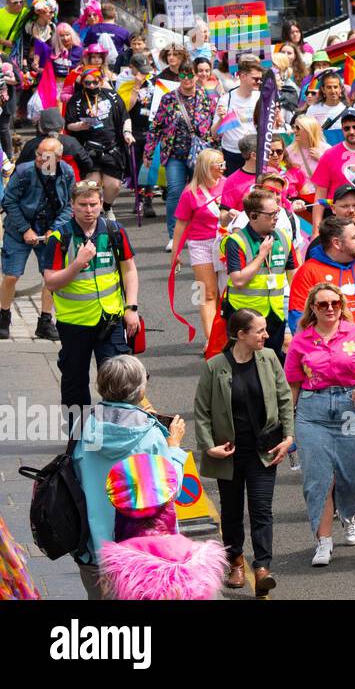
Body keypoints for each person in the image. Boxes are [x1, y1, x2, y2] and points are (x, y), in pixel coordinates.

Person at [194, 307, 294, 594]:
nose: (266, 335)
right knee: (232, 511)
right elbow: (202, 411)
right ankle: (236, 562)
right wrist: (208, 445)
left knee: (262, 510)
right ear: (241, 335)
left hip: (264, 451)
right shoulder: (214, 366)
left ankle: (262, 566)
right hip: (229, 455)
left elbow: (284, 398)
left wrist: (288, 436)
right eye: (260, 331)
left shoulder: (269, 358)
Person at [71, 355, 187, 599]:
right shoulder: (151, 436)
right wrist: (174, 447)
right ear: (139, 389)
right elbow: (169, 490)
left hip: (93, 549)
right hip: (141, 553)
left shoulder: (83, 425)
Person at [285, 282, 355, 567]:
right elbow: (293, 384)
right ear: (312, 308)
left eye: (335, 304)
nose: (329, 309)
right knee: (318, 479)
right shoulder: (301, 341)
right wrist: (289, 427)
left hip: (352, 407)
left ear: (342, 306)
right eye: (322, 304)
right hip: (313, 411)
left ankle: (348, 515)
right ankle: (323, 541)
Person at [44, 181, 139, 413]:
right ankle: (76, 439)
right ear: (72, 205)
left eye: (93, 204)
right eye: (83, 205)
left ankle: (114, 433)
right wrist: (77, 263)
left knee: (118, 381)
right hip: (74, 323)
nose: (89, 210)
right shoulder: (60, 238)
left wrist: (131, 308)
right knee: (75, 383)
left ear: (101, 204)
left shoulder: (114, 230)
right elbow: (51, 282)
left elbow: (129, 269)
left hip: (110, 320)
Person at [0, 138, 73, 341]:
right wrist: (25, 230)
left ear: (57, 158)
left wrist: (54, 229)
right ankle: (3, 317)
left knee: (50, 277)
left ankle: (45, 321)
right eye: (38, 154)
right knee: (11, 275)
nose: (39, 158)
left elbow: (69, 205)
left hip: (48, 228)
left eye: (45, 155)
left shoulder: (66, 173)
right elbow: (9, 201)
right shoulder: (24, 172)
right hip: (18, 229)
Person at [143, 55, 220, 248]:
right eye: (183, 75)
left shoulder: (207, 97)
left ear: (196, 76)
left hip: (200, 154)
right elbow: (156, 126)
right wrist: (149, 152)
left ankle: (200, 231)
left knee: (201, 192)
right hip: (174, 154)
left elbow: (214, 126)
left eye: (190, 75)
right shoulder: (168, 98)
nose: (186, 78)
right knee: (175, 192)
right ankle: (173, 235)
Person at [221, 187, 300, 365]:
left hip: (275, 314)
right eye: (270, 214)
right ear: (254, 216)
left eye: (277, 212)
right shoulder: (236, 241)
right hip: (244, 317)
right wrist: (262, 255)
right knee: (242, 364)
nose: (276, 218)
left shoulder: (283, 237)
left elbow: (293, 274)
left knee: (271, 364)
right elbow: (238, 280)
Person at [172, 148, 225, 338]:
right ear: (206, 167)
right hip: (200, 244)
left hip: (225, 242)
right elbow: (181, 224)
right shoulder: (190, 193)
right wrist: (175, 253)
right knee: (207, 293)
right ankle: (211, 339)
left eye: (223, 163)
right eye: (219, 165)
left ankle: (225, 335)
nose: (223, 168)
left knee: (224, 293)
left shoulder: (228, 185)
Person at [63, 67, 131, 209]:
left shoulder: (111, 96)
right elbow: (68, 125)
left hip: (112, 148)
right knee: (91, 187)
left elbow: (125, 117)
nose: (92, 86)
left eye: (95, 82)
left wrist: (127, 133)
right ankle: (96, 213)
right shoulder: (75, 101)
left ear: (100, 81)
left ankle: (106, 208)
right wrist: (80, 126)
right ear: (82, 83)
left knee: (114, 186)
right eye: (88, 83)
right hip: (89, 149)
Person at [217, 57, 264, 174]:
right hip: (232, 154)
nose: (259, 82)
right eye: (255, 79)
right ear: (242, 76)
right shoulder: (226, 99)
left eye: (260, 79)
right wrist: (221, 120)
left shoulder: (261, 97)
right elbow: (215, 134)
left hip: (255, 154)